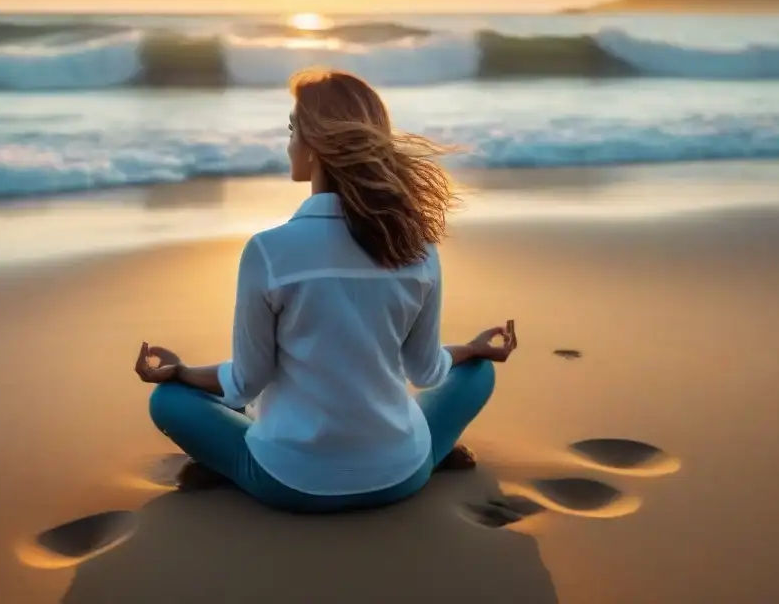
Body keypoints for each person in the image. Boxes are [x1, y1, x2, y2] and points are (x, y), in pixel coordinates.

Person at [135, 68, 518, 514]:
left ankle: (232, 467)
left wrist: (181, 372)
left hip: (291, 484)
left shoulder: (268, 250)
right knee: (479, 374)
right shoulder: (417, 247)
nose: (289, 143)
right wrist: (471, 351)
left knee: (169, 402)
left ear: (315, 148)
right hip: (401, 476)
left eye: (293, 130)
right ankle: (429, 455)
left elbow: (245, 383)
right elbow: (427, 371)